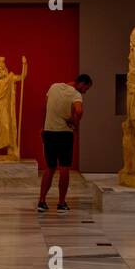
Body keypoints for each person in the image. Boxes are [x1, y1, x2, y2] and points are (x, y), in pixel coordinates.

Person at [37, 74, 92, 212]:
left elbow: (45, 108)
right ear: (81, 83)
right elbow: (79, 110)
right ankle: (61, 203)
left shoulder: (53, 87)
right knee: (64, 169)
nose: (85, 92)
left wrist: (43, 127)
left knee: (49, 168)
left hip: (49, 132)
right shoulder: (76, 94)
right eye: (86, 88)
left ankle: (42, 202)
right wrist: (74, 121)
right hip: (64, 134)